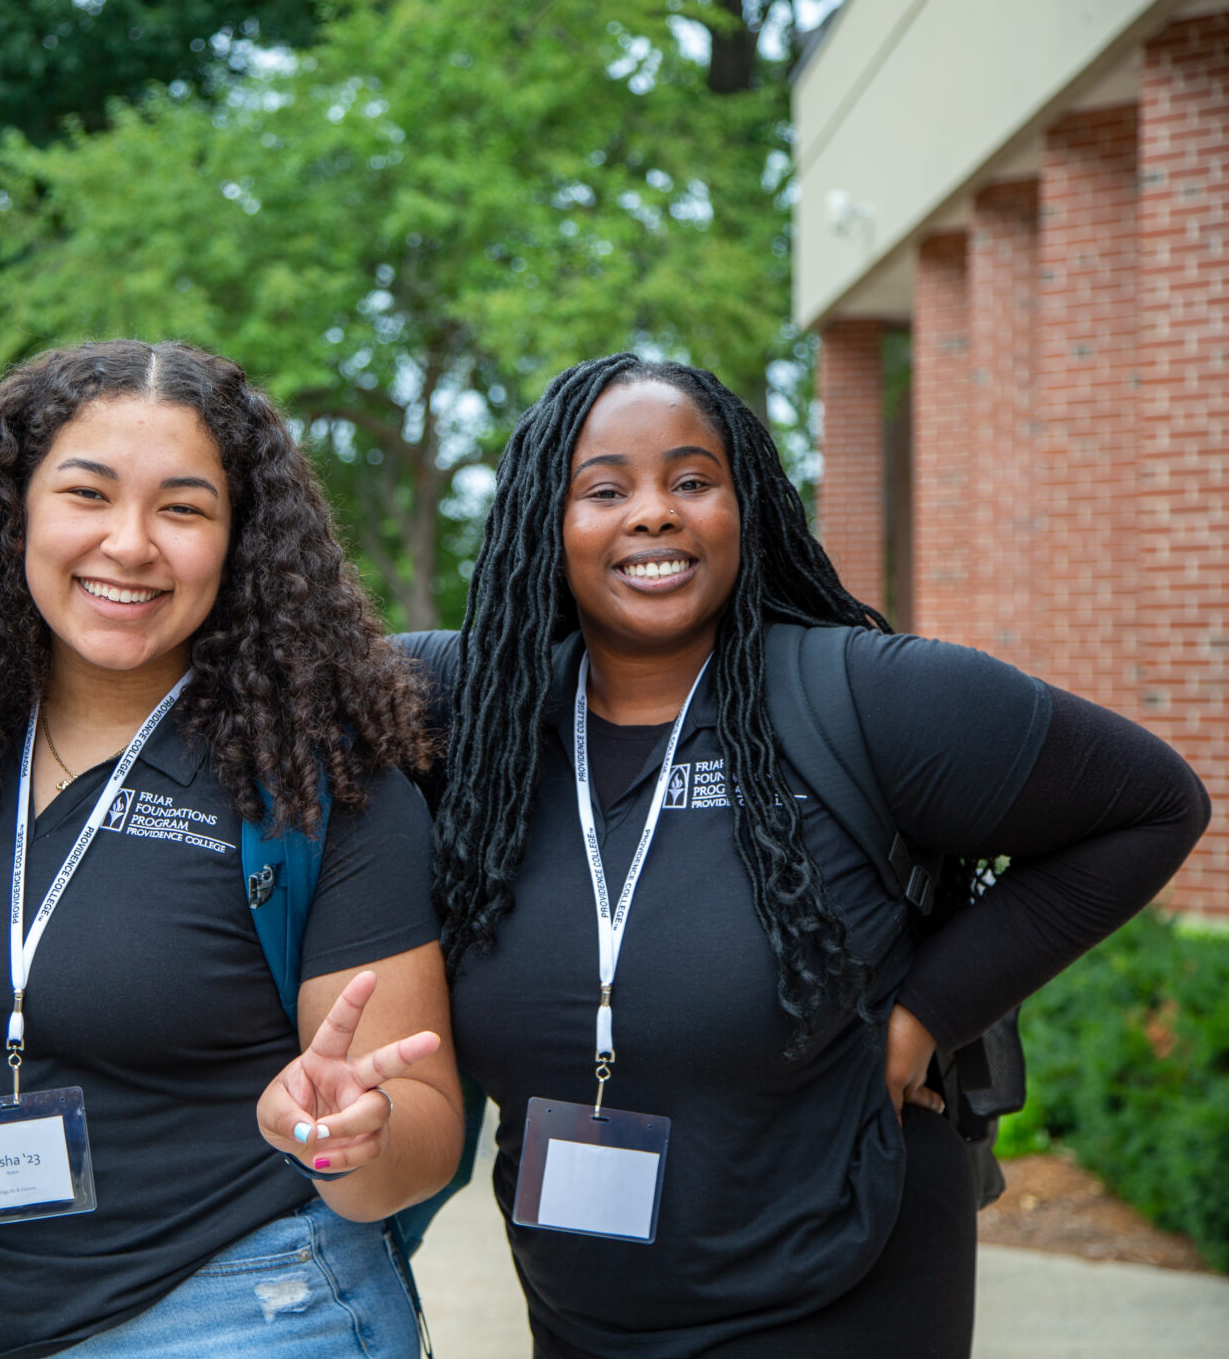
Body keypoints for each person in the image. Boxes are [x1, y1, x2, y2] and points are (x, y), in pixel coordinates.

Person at [405, 354, 1211, 1358]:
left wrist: (928, 1011)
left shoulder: (871, 700)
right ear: (540, 522)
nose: (652, 513)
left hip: (840, 1281)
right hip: (581, 1302)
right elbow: (252, 672)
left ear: (746, 507)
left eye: (692, 481)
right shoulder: (469, 713)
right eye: (603, 489)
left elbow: (1151, 805)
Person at [0, 339, 464, 1359]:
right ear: (14, 513)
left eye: (182, 509)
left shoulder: (322, 788)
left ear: (239, 543)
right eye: (86, 494)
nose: (129, 544)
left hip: (230, 1320)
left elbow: (422, 1128)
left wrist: (349, 1134)